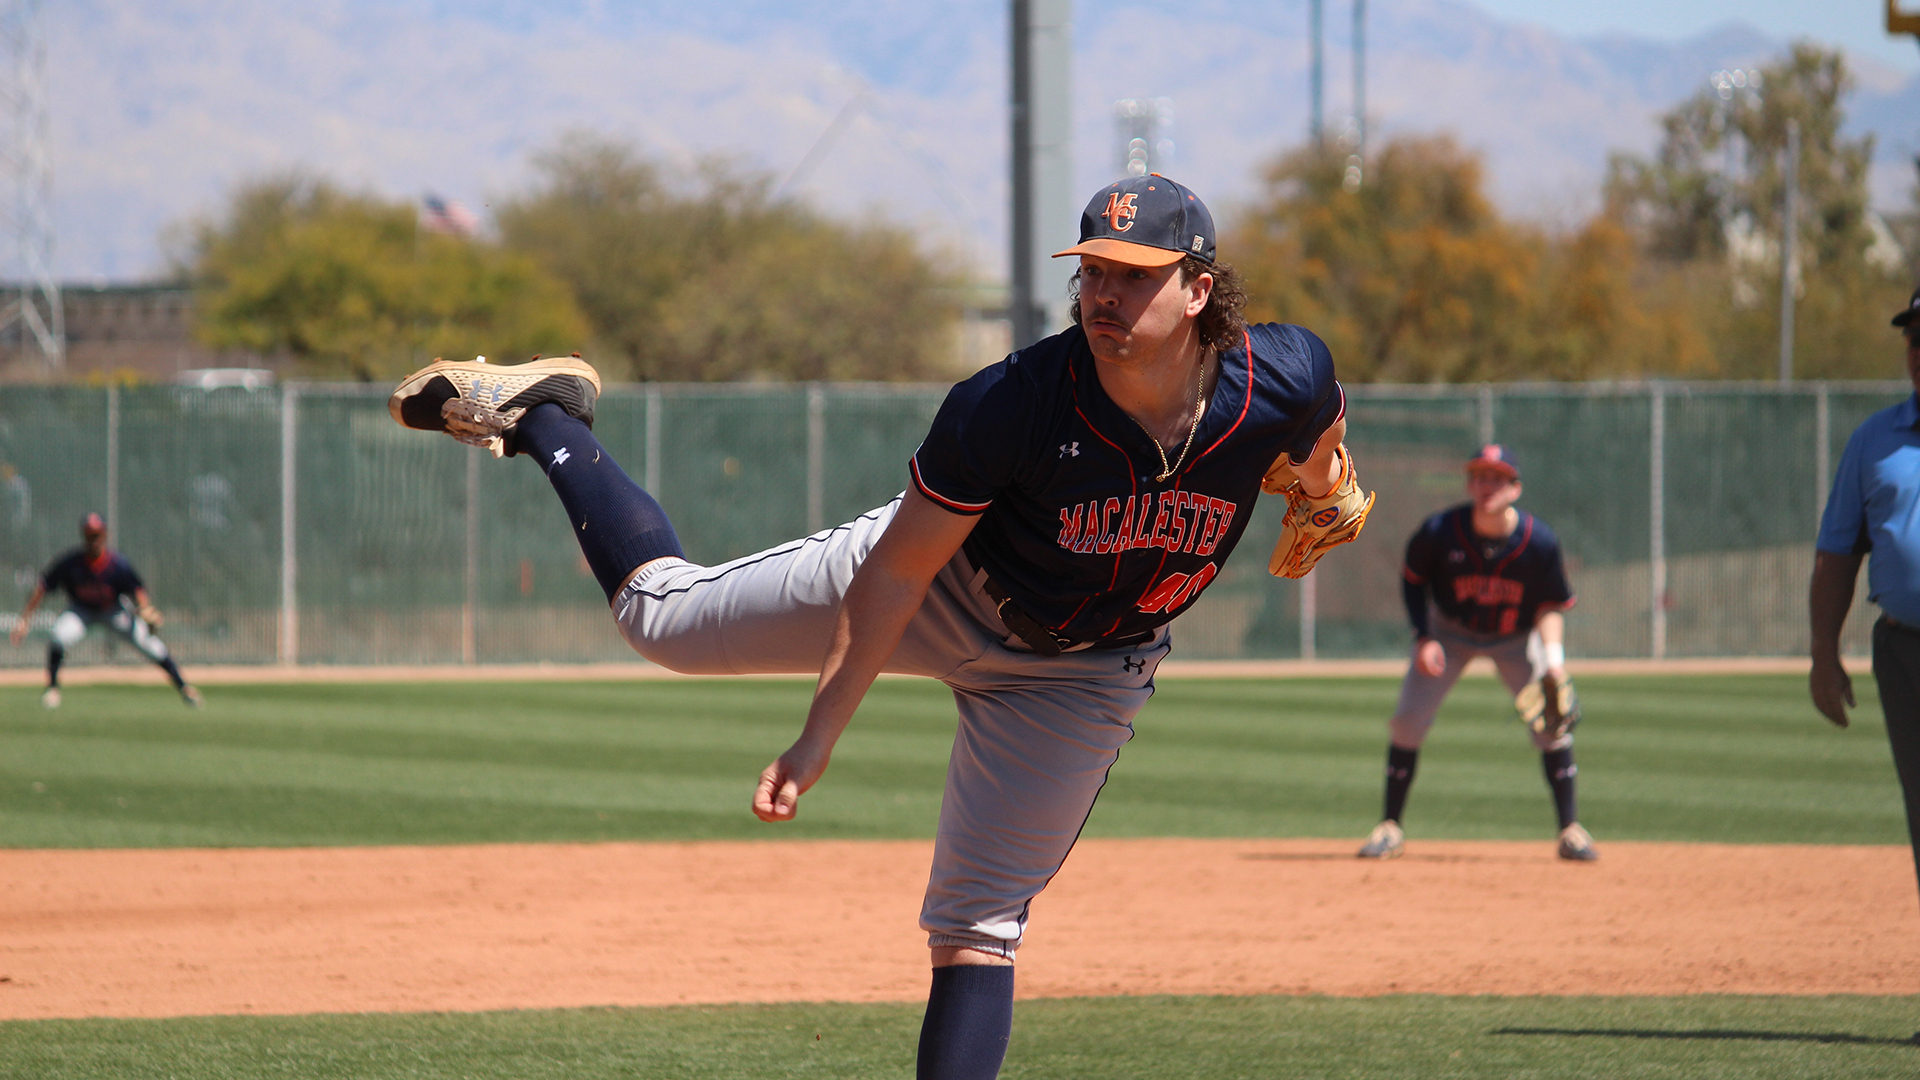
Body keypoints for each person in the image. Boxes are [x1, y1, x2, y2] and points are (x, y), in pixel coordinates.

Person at [386, 174, 1369, 1080]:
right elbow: (897, 574)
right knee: (660, 621)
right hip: (944, 586)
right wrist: (819, 735)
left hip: (1084, 673)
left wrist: (1325, 484)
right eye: (1093, 272)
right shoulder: (1013, 404)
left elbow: (1319, 426)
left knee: (980, 925)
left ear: (1198, 290)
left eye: (1135, 276)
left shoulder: (1281, 373)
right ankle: (548, 418)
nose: (1105, 295)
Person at [1356, 444, 1594, 861]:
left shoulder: (1539, 543)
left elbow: (1550, 606)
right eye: (1480, 477)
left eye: (1497, 478)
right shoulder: (1439, 532)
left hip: (1516, 638)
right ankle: (1390, 827)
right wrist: (1424, 637)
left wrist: (1554, 664)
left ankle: (1571, 831)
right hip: (1450, 633)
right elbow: (1413, 580)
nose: (1487, 486)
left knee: (1552, 726)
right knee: (1407, 722)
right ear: (1469, 485)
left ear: (1516, 489)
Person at [1809, 284, 1920, 902]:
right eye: (1914, 339)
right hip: (1905, 654)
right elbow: (1837, 555)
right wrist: (1823, 654)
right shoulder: (1874, 441)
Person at [10, 512, 202, 708]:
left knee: (148, 642)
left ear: (105, 535)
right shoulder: (71, 563)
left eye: (97, 534)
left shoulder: (118, 564)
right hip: (81, 610)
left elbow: (137, 589)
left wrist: (145, 608)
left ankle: (183, 686)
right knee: (58, 636)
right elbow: (42, 587)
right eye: (90, 534)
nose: (94, 539)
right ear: (83, 536)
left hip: (113, 610)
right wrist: (24, 621)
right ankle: (52, 689)